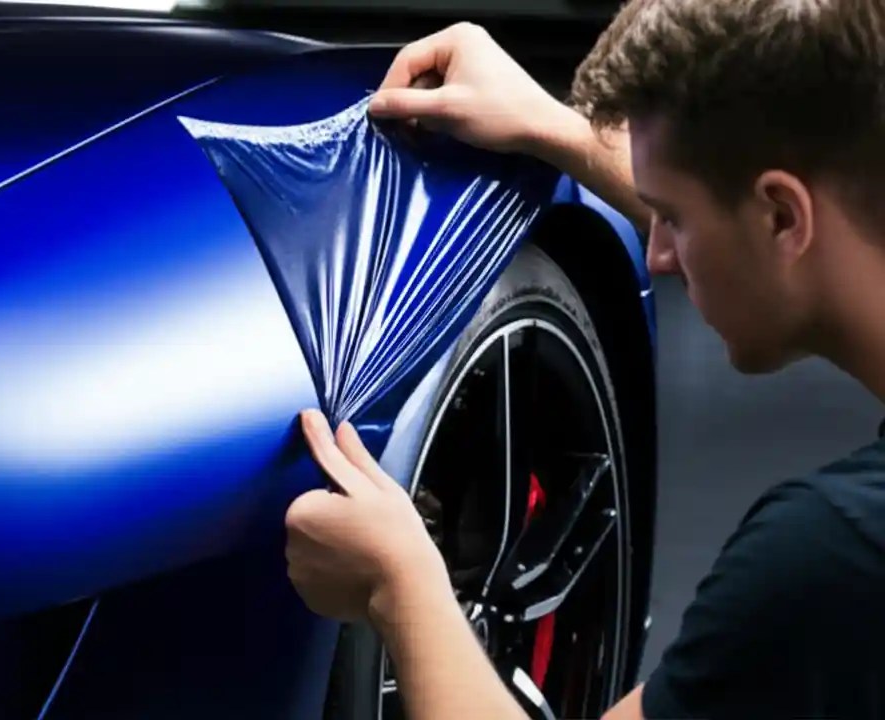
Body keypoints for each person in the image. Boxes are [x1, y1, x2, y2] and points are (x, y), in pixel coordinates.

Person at [283, 1, 885, 718]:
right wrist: (553, 128)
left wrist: (401, 589)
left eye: (675, 218)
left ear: (784, 217)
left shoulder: (830, 561)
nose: (658, 255)